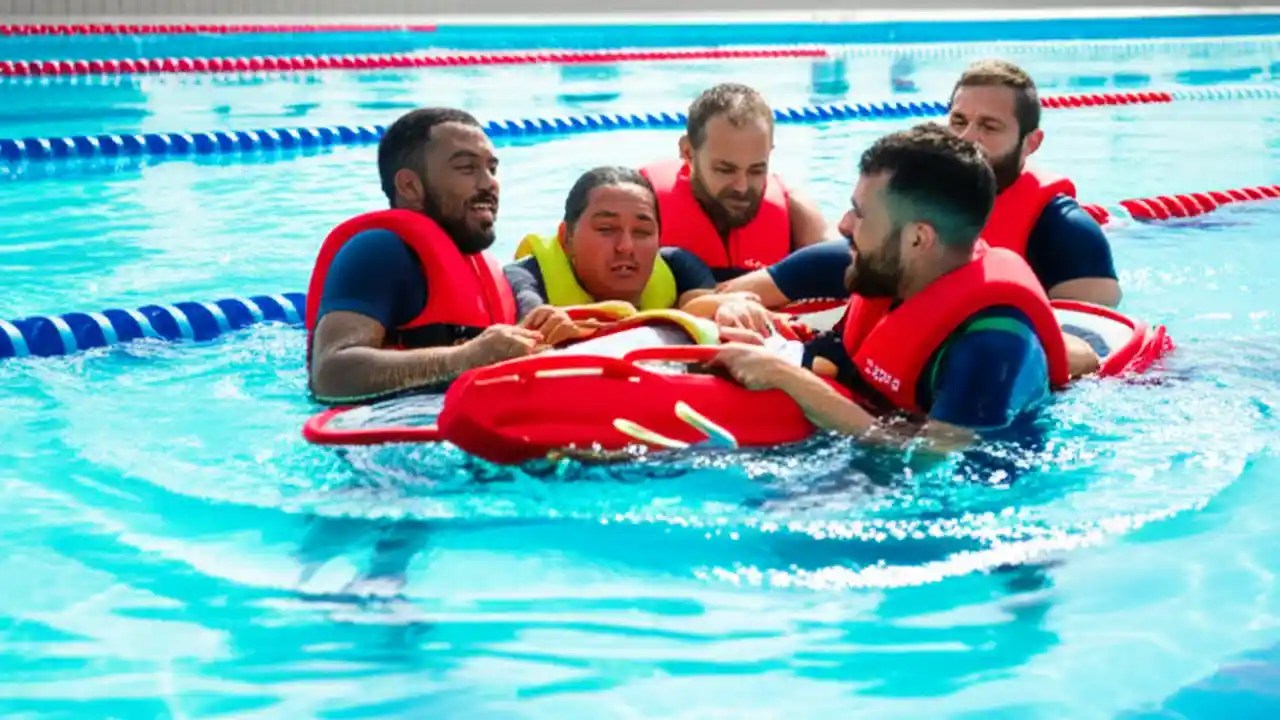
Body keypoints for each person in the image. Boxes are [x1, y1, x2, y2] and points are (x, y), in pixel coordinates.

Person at [711, 123, 1070, 450]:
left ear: (918, 239)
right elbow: (712, 299)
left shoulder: (991, 347)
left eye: (860, 213)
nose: (843, 224)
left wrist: (786, 377)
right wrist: (743, 316)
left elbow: (934, 461)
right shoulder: (880, 267)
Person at [722, 58, 1122, 310]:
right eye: (959, 122)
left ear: (1030, 143)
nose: (966, 140)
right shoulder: (891, 222)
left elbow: (1084, 351)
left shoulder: (1068, 234)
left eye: (989, 127)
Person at [304, 107, 541, 404]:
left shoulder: (477, 265)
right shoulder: (378, 251)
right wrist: (464, 358)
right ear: (409, 186)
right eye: (467, 168)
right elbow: (330, 374)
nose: (488, 183)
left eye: (492, 168)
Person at [504, 165, 779, 346]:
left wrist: (728, 309)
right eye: (606, 229)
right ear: (566, 239)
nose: (625, 246)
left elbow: (702, 306)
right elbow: (530, 326)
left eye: (642, 232)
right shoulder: (525, 277)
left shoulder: (678, 267)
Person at [638, 83, 829, 282]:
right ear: (688, 153)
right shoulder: (641, 204)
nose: (742, 186)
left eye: (757, 170)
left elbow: (844, 267)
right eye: (725, 170)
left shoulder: (794, 210)